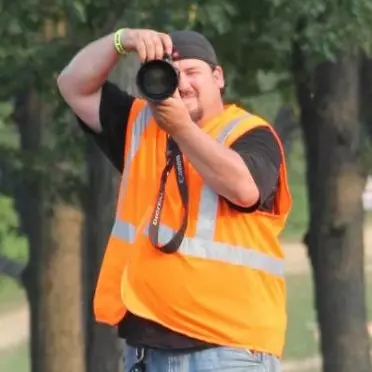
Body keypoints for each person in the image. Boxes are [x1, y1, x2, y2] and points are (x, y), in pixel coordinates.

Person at [57, 27, 292, 372]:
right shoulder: (140, 125)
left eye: (193, 73)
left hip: (227, 351)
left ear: (218, 77)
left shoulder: (250, 133)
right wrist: (122, 40)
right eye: (171, 74)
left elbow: (245, 190)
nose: (182, 85)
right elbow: (72, 85)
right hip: (145, 353)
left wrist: (182, 130)